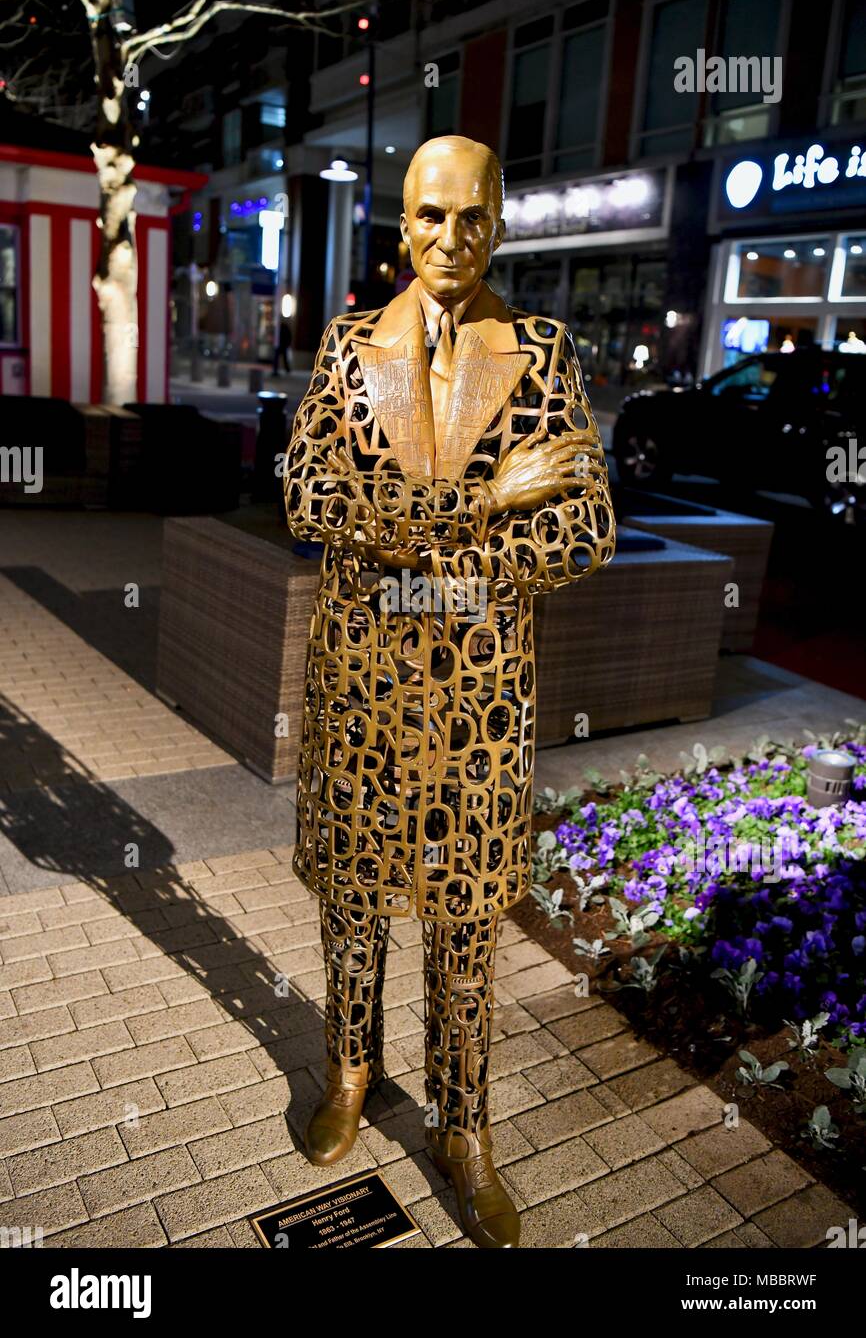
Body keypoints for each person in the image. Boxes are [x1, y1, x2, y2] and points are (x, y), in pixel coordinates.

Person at [282, 134, 615, 1248]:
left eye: (472, 217)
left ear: (500, 222)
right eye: (430, 215)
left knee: (465, 922)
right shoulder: (346, 349)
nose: (449, 238)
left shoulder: (541, 351)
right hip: (361, 687)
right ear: (401, 224)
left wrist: (417, 548)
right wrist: (478, 515)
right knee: (351, 904)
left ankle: (465, 1132)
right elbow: (310, 501)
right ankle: (348, 1066)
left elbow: (580, 526)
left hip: (479, 702)